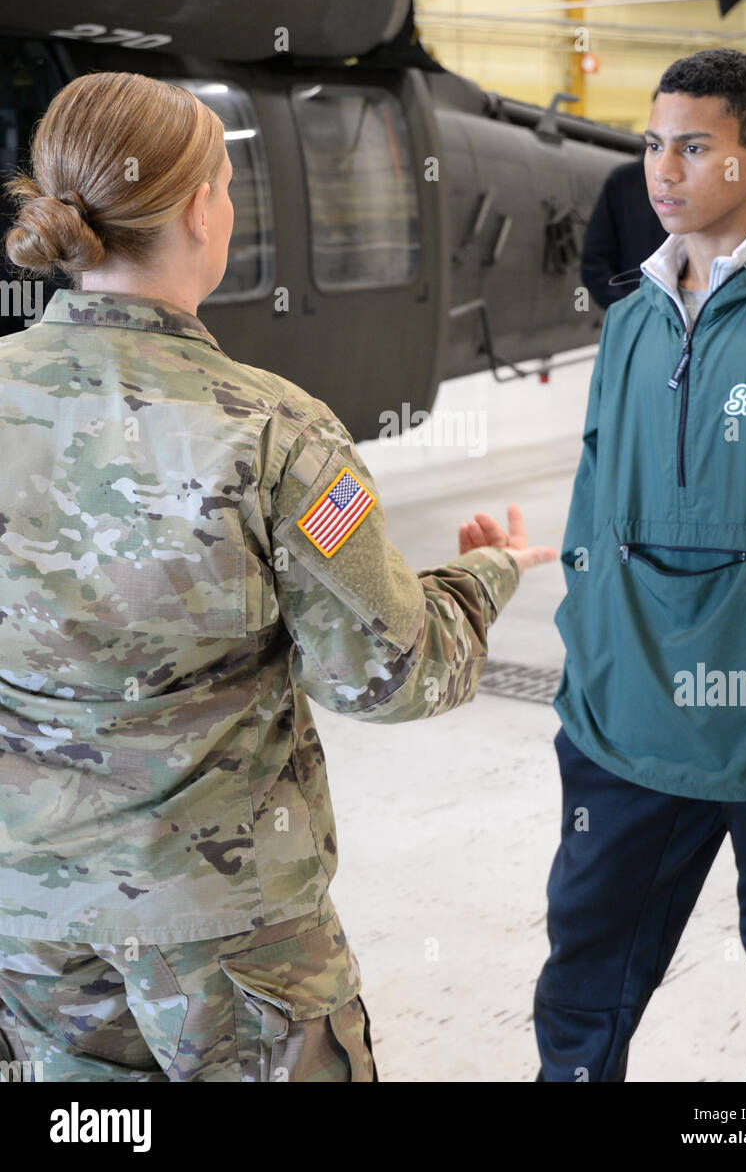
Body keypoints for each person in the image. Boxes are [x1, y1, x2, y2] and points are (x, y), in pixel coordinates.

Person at [0, 70, 557, 1083]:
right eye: (225, 183)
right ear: (200, 210)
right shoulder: (273, 432)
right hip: (232, 937)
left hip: (29, 927)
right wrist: (482, 577)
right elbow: (390, 675)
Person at [534, 48, 746, 1083]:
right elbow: (594, 505)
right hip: (623, 726)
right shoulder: (631, 315)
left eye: (692, 147)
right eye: (650, 145)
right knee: (580, 996)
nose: (662, 171)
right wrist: (586, 656)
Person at [581, 157, 666, 310]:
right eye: (655, 146)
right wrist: (629, 308)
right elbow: (595, 261)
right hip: (636, 314)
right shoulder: (624, 181)